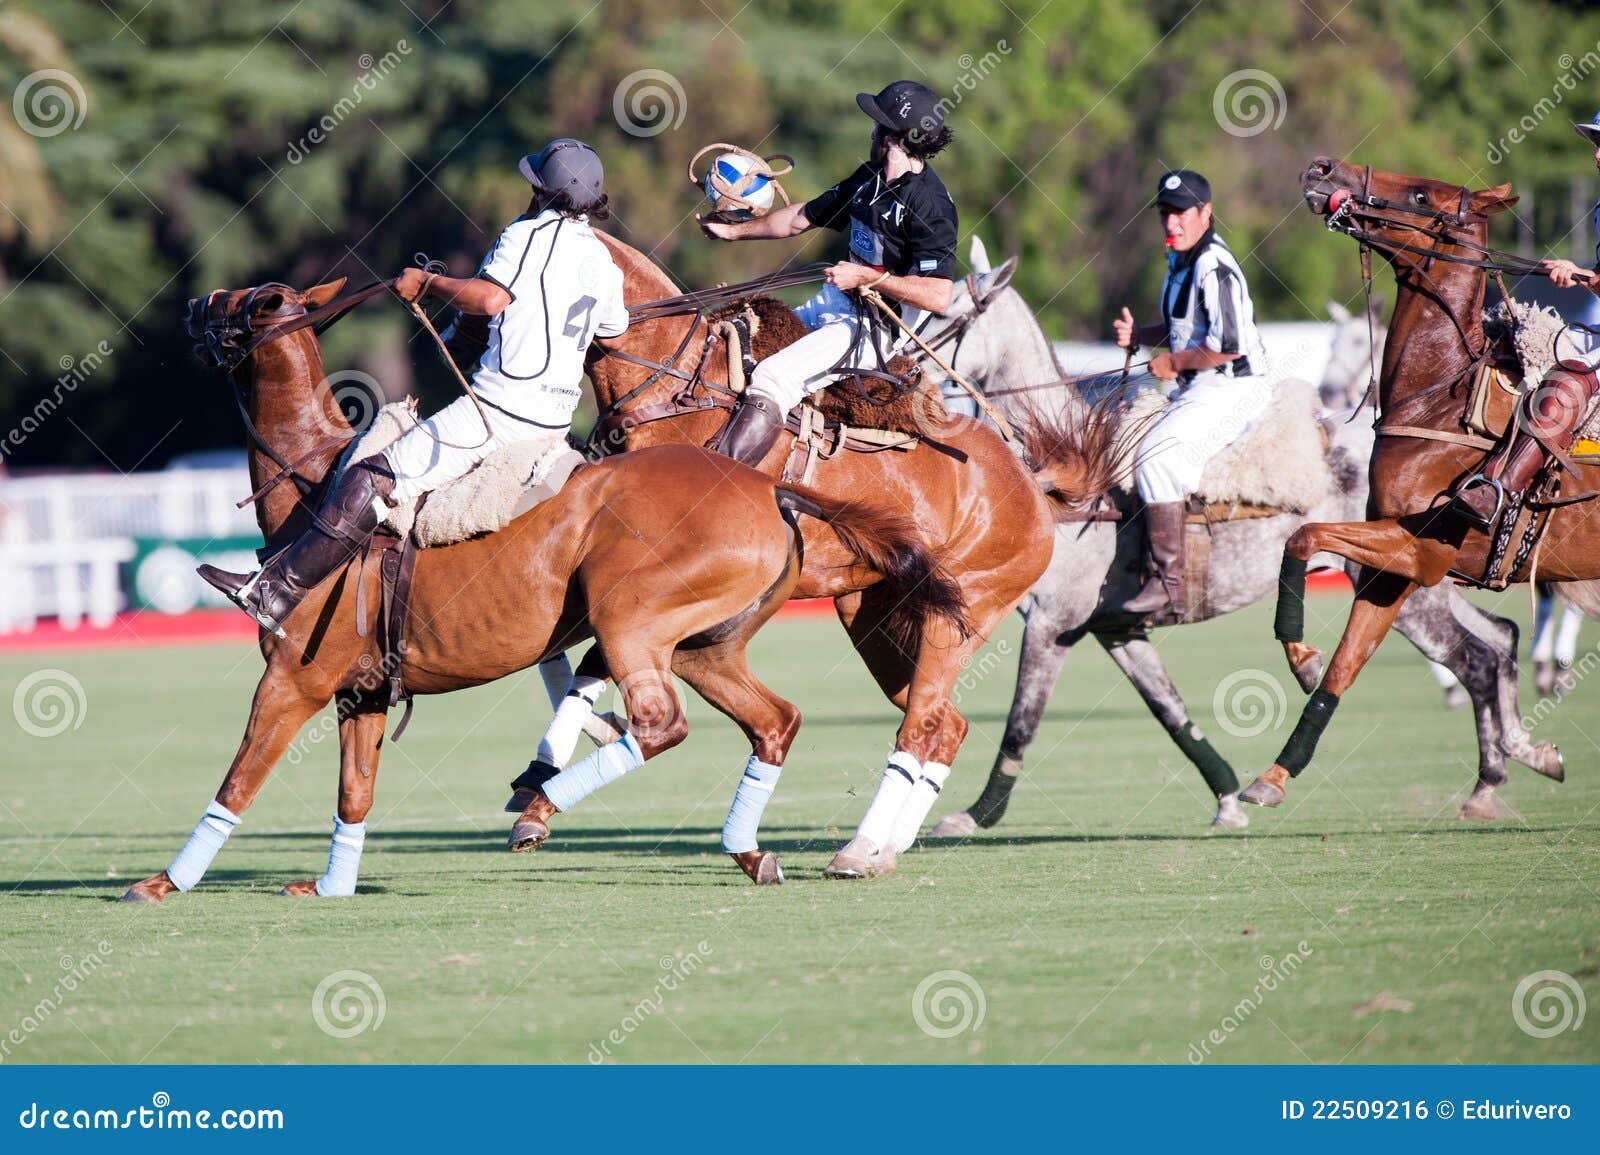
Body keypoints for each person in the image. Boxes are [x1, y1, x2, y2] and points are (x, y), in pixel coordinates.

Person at [200, 139, 629, 636]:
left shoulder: (527, 235)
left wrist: (427, 284)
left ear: (542, 191)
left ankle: (276, 591)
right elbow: (614, 333)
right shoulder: (603, 260)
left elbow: (488, 300)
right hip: (555, 425)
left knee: (372, 476)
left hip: (500, 412)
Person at [697, 80, 959, 465]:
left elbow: (940, 296)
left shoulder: (931, 205)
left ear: (893, 137)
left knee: (772, 377)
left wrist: (868, 278)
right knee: (742, 338)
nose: (872, 131)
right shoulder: (869, 178)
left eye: (878, 125)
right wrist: (734, 232)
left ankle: (721, 479)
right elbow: (803, 217)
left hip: (876, 328)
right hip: (836, 302)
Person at [1112, 170, 1273, 617]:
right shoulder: (1179, 262)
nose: (1171, 223)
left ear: (1206, 213)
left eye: (1181, 212)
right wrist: (1141, 336)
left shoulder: (1213, 266)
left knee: (1155, 458)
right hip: (1203, 385)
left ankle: (1170, 584)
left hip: (1234, 386)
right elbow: (1184, 327)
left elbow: (1228, 345)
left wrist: (1172, 363)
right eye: (1165, 213)